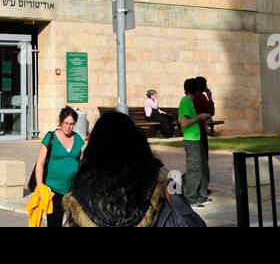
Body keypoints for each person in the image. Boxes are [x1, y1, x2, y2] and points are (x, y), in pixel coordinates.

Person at [61, 110, 203, 226]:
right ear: (136, 143)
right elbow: (189, 219)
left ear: (94, 147)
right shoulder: (160, 180)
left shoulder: (79, 192)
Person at [32, 106, 84, 227]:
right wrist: (40, 187)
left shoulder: (77, 139)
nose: (68, 126)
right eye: (66, 123)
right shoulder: (50, 137)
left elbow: (82, 161)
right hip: (53, 190)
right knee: (55, 224)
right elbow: (39, 164)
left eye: (72, 124)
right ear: (61, 122)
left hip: (72, 191)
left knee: (75, 224)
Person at [178, 78, 209, 207]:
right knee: (194, 169)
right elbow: (184, 122)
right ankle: (191, 198)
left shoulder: (189, 101)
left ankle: (201, 196)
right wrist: (199, 117)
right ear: (196, 90)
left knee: (202, 167)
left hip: (196, 139)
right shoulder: (185, 102)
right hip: (191, 140)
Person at [192, 76, 216, 194]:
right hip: (200, 130)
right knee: (203, 159)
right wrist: (210, 97)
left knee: (195, 159)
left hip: (191, 132)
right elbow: (211, 112)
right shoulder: (201, 97)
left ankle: (196, 186)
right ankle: (202, 188)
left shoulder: (190, 98)